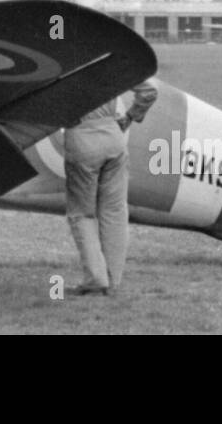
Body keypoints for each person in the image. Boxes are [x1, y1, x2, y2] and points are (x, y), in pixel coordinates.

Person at [63, 79, 158, 295]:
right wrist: (131, 116)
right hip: (114, 136)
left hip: (81, 137)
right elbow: (149, 91)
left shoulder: (66, 58)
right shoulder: (108, 54)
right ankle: (114, 280)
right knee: (114, 211)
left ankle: (96, 279)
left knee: (82, 214)